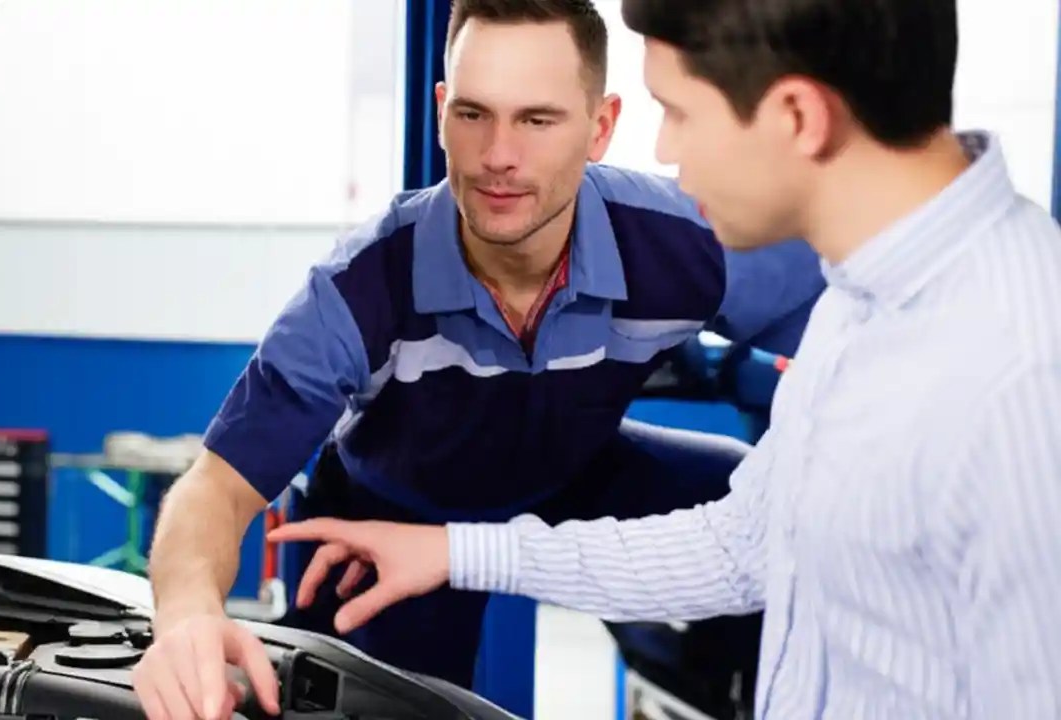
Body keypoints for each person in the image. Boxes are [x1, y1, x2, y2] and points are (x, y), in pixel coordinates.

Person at [269, 0, 1061, 718]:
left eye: (680, 113)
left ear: (796, 117)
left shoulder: (1022, 368)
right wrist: (454, 551)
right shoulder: (860, 300)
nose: (666, 150)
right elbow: (745, 545)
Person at [132, 1, 828, 718]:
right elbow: (215, 488)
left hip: (574, 467)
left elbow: (861, 299)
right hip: (394, 507)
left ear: (601, 127)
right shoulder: (360, 287)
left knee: (759, 503)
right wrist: (184, 618)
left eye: (537, 120)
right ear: (441, 113)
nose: (499, 154)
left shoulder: (681, 241)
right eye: (473, 114)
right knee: (393, 704)